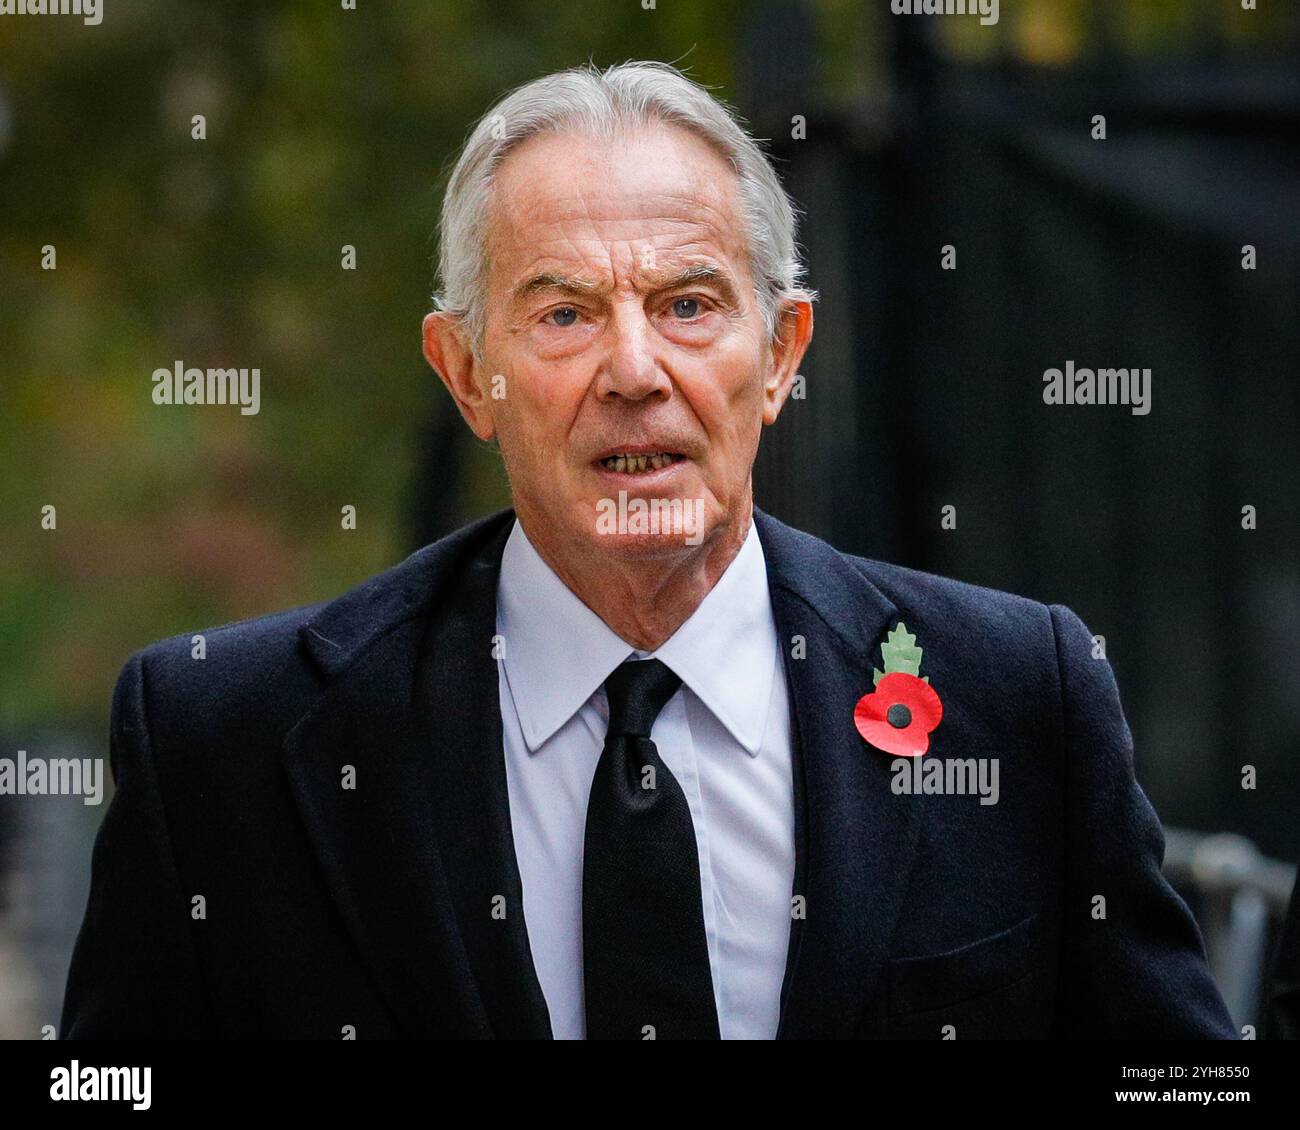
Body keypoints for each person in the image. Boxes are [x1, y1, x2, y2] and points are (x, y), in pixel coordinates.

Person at [61, 60, 1235, 1040]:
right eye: (564, 313)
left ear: (780, 353)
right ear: (468, 372)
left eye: (687, 304)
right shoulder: (224, 737)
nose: (635, 370)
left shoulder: (1014, 694)